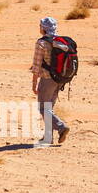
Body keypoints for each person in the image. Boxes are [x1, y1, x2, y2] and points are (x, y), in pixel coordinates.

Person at [30, 16, 69, 147]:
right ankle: (48, 137)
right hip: (60, 79)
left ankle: (61, 127)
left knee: (43, 108)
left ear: (43, 28)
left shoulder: (41, 43)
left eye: (40, 26)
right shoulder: (60, 42)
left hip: (47, 79)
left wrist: (34, 84)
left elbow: (36, 66)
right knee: (49, 108)